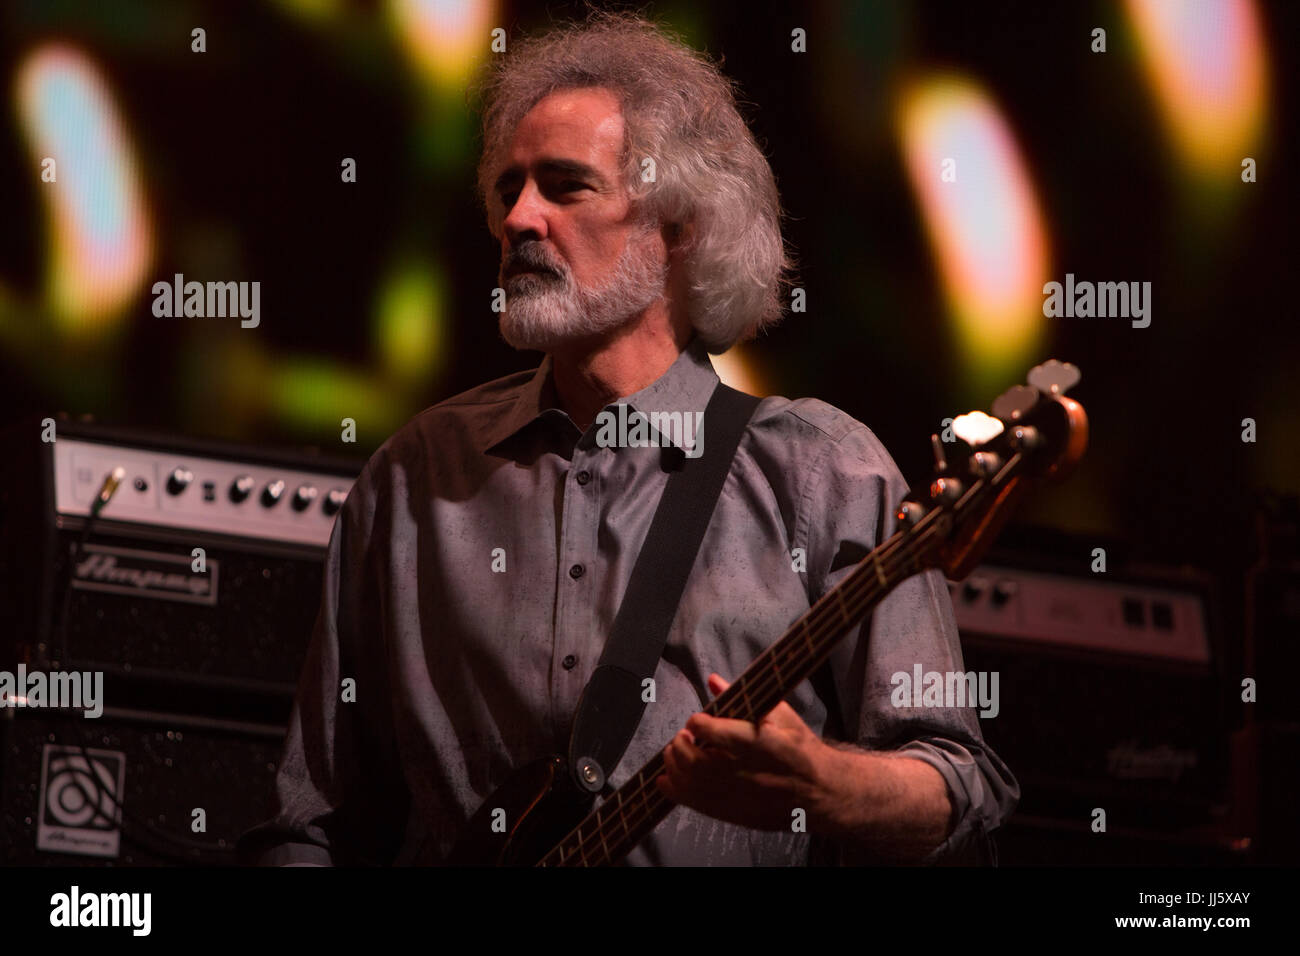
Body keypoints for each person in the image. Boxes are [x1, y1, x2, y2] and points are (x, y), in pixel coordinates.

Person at [238, 12, 1017, 867]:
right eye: (508, 190)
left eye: (565, 187)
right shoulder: (415, 475)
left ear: (679, 228)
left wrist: (823, 782)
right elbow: (310, 823)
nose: (518, 219)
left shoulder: (825, 473)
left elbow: (959, 783)